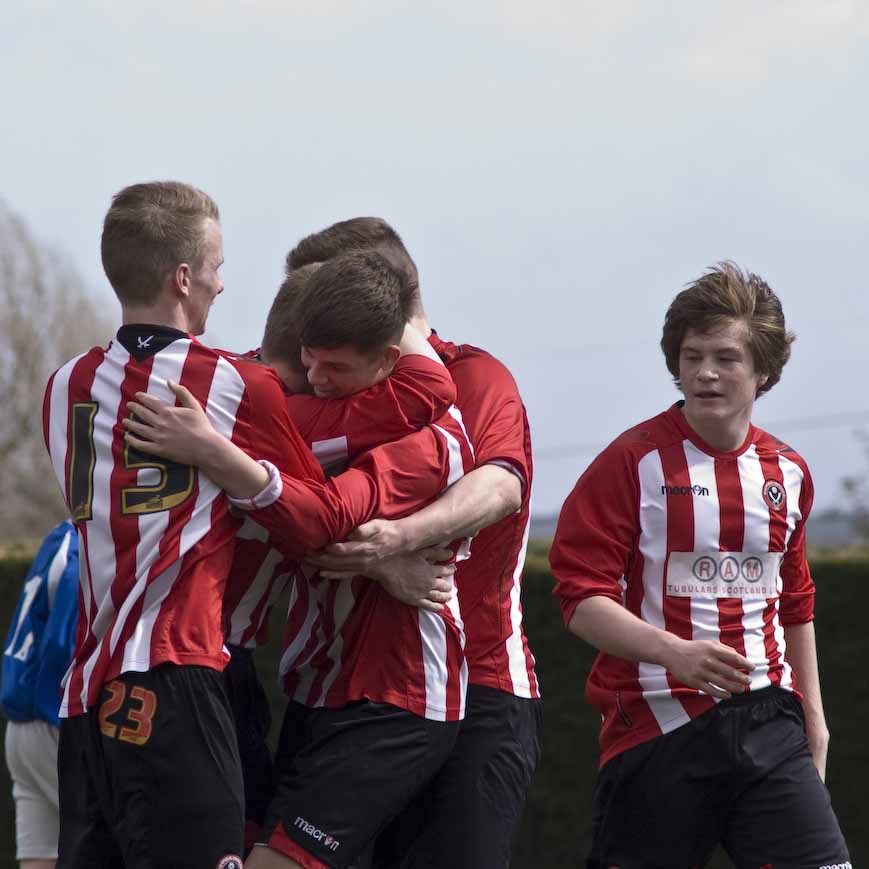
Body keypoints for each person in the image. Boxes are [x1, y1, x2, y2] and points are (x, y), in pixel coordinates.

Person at [42, 182, 448, 869]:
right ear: (183, 278)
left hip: (86, 691)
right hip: (181, 671)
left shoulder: (63, 385)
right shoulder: (232, 387)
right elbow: (319, 517)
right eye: (218, 267)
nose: (223, 285)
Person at [127, 249, 477, 869]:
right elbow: (322, 508)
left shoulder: (426, 438)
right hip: (221, 664)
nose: (314, 388)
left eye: (334, 368)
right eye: (306, 369)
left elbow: (335, 502)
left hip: (387, 692)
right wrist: (382, 559)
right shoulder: (266, 401)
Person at [549, 262, 850, 868]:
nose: (705, 372)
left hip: (771, 723)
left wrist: (813, 721)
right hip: (659, 725)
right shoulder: (630, 463)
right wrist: (673, 652)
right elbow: (580, 601)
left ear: (763, 369)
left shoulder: (787, 472)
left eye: (725, 357)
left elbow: (795, 602)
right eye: (691, 356)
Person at [295, 218, 542, 869]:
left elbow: (500, 487)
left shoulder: (472, 375)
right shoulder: (331, 388)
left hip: (478, 686)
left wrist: (396, 540)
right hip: (341, 690)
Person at [1, 520, 78, 869]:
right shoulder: (88, 537)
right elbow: (63, 643)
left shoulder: (62, 532)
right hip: (53, 721)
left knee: (39, 859)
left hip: (21, 726)